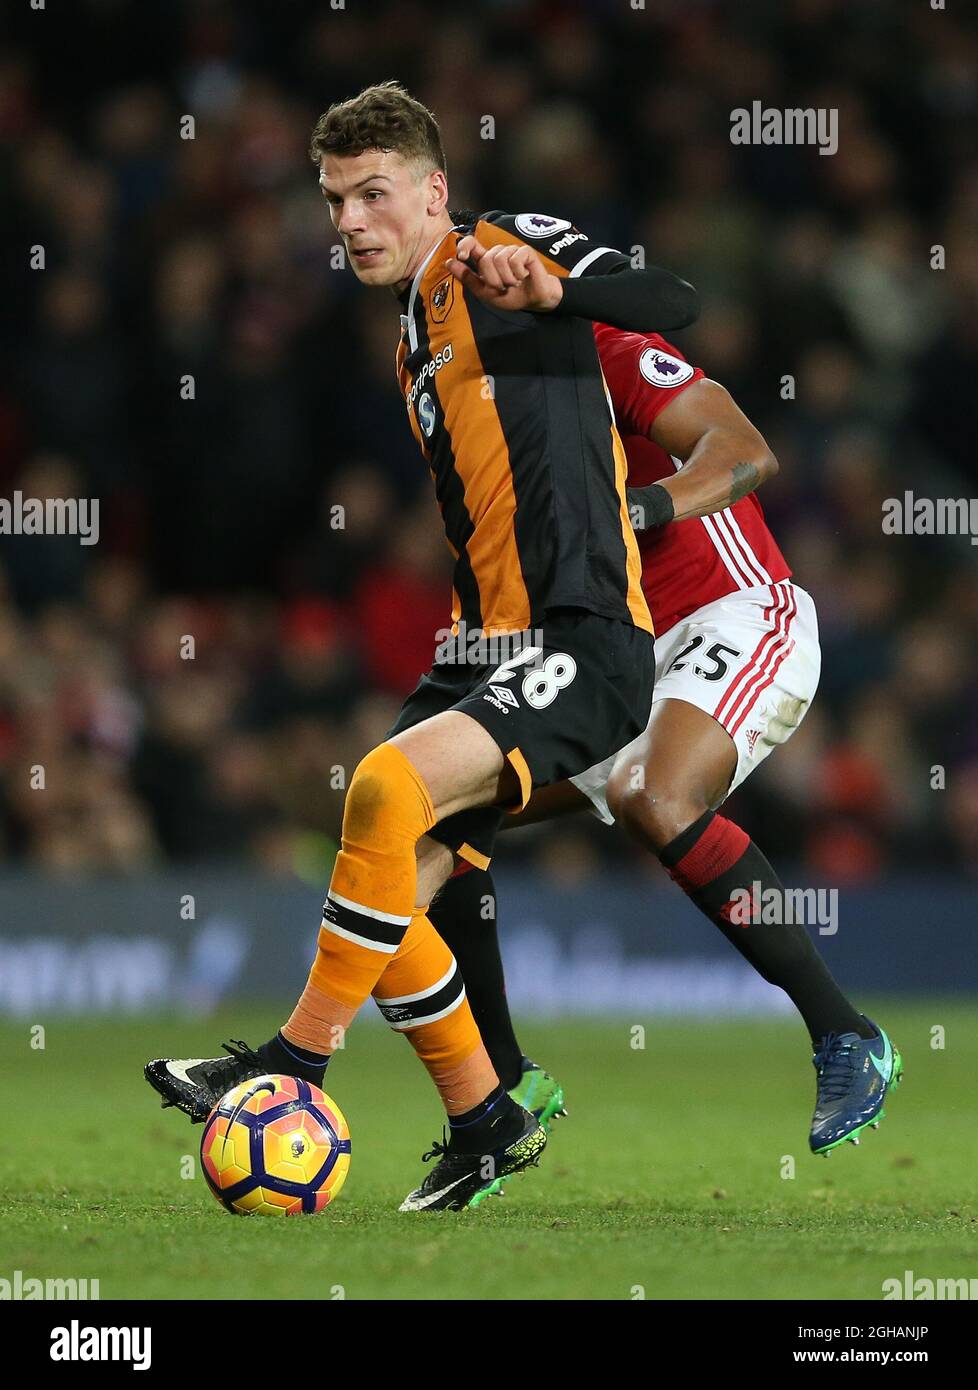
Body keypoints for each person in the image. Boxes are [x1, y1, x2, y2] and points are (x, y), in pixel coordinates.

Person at [144, 80, 699, 1212]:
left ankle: (292, 1064)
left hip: (582, 634)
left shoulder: (496, 249)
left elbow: (674, 296)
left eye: (373, 194)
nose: (349, 220)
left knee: (389, 792)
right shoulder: (409, 329)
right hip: (484, 645)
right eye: (335, 199)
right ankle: (484, 1114)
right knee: (380, 860)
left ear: (433, 192)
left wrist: (563, 286)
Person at [428, 319, 903, 1176]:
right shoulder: (467, 412)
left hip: (739, 611)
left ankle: (846, 1034)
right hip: (613, 658)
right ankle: (503, 1083)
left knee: (655, 792)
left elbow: (745, 451)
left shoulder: (604, 351)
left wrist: (640, 509)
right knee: (444, 805)